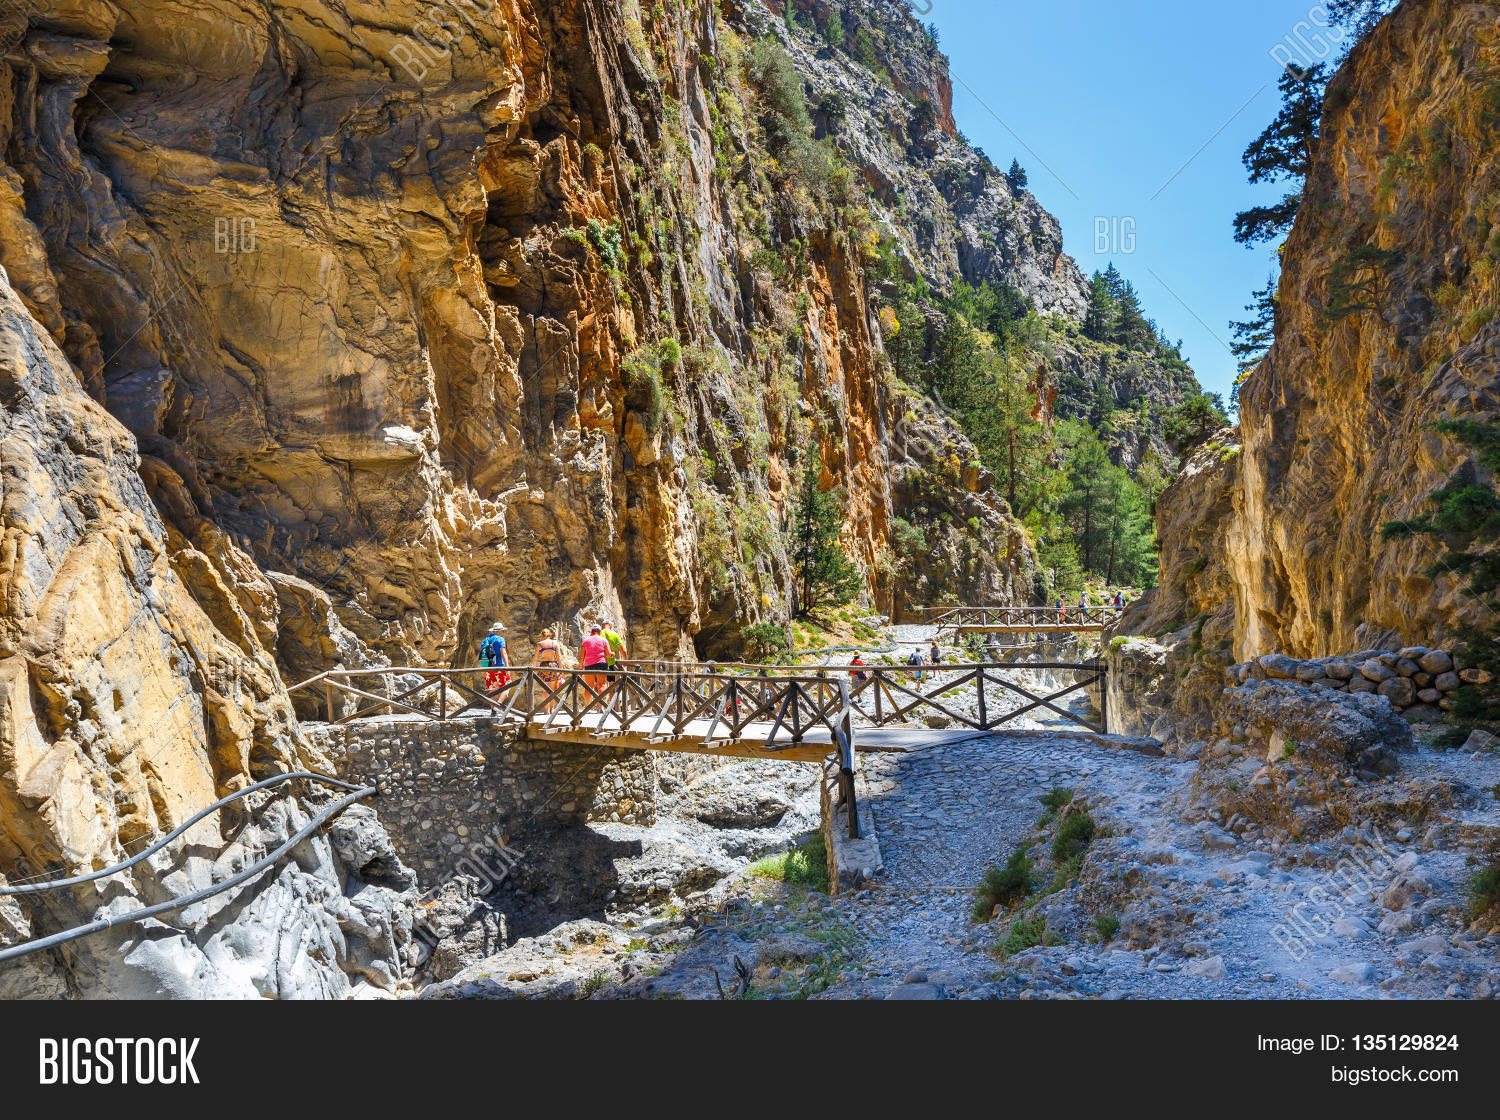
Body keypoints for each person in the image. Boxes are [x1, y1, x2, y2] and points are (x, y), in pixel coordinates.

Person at [534, 627, 563, 713]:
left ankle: (546, 710)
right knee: (553, 690)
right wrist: (561, 669)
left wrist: (535, 670)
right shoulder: (555, 643)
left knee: (545, 690)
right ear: (549, 635)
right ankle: (551, 709)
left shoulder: (540, 644)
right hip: (553, 666)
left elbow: (535, 659)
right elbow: (559, 657)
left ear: (542, 635)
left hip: (544, 666)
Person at [581, 623, 610, 704]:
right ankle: (600, 707)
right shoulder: (603, 640)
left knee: (588, 686)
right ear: (600, 631)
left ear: (591, 631)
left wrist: (580, 669)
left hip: (589, 664)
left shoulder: (585, 641)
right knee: (601, 685)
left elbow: (582, 657)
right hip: (601, 663)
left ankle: (587, 706)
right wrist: (613, 654)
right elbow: (608, 654)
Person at [480, 622, 510, 693]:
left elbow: (485, 656)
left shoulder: (485, 640)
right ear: (499, 631)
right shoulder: (500, 639)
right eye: (502, 631)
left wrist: (485, 671)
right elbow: (503, 653)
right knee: (507, 686)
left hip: (489, 669)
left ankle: (491, 701)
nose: (502, 632)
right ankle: (500, 700)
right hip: (500, 667)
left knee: (491, 690)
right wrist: (507, 667)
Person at [601, 618, 627, 684]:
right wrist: (625, 662)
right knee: (612, 684)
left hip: (599, 662)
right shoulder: (615, 635)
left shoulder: (598, 634)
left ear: (602, 626)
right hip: (611, 663)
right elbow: (623, 651)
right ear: (611, 626)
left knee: (599, 684)